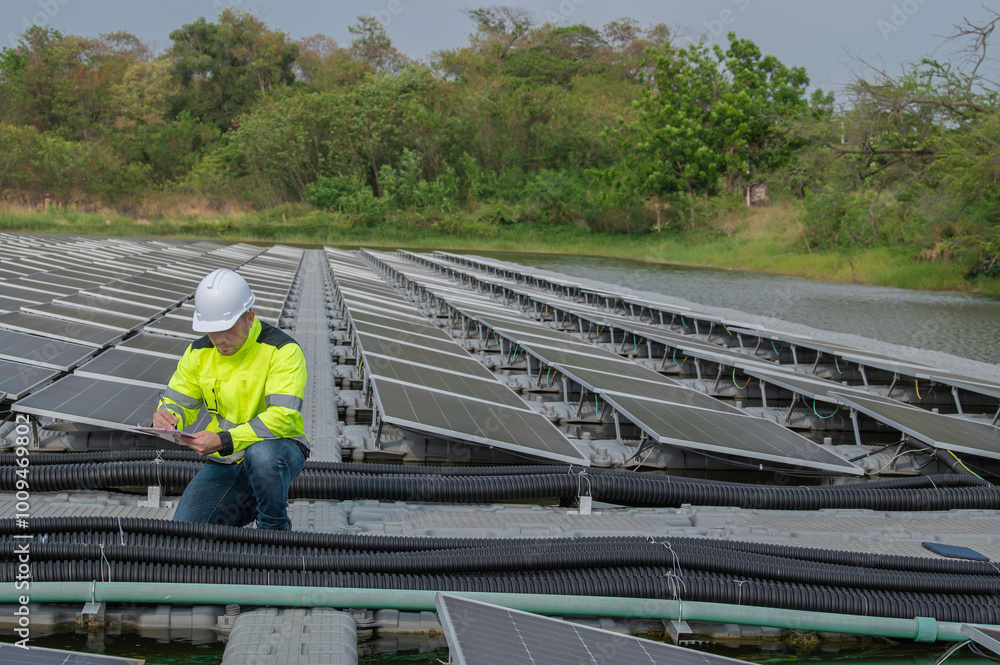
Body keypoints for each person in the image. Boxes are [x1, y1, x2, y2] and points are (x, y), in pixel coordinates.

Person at [153, 268, 310, 530]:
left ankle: (274, 527)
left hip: (277, 450)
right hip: (227, 457)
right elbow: (178, 399)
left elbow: (282, 417)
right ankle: (245, 508)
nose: (220, 340)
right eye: (212, 331)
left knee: (261, 457)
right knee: (186, 531)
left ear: (249, 317)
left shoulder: (283, 351)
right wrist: (169, 414)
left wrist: (224, 440)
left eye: (227, 329)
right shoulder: (199, 352)